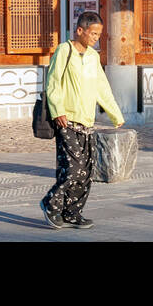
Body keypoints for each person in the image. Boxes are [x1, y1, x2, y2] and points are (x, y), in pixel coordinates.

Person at [40, 12, 125, 229]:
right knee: (73, 168)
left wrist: (115, 114)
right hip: (66, 121)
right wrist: (57, 110)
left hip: (87, 122)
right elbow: (53, 83)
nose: (96, 37)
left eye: (99, 34)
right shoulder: (64, 51)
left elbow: (101, 87)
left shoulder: (93, 57)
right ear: (80, 30)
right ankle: (51, 204)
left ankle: (72, 212)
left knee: (87, 171)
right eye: (93, 33)